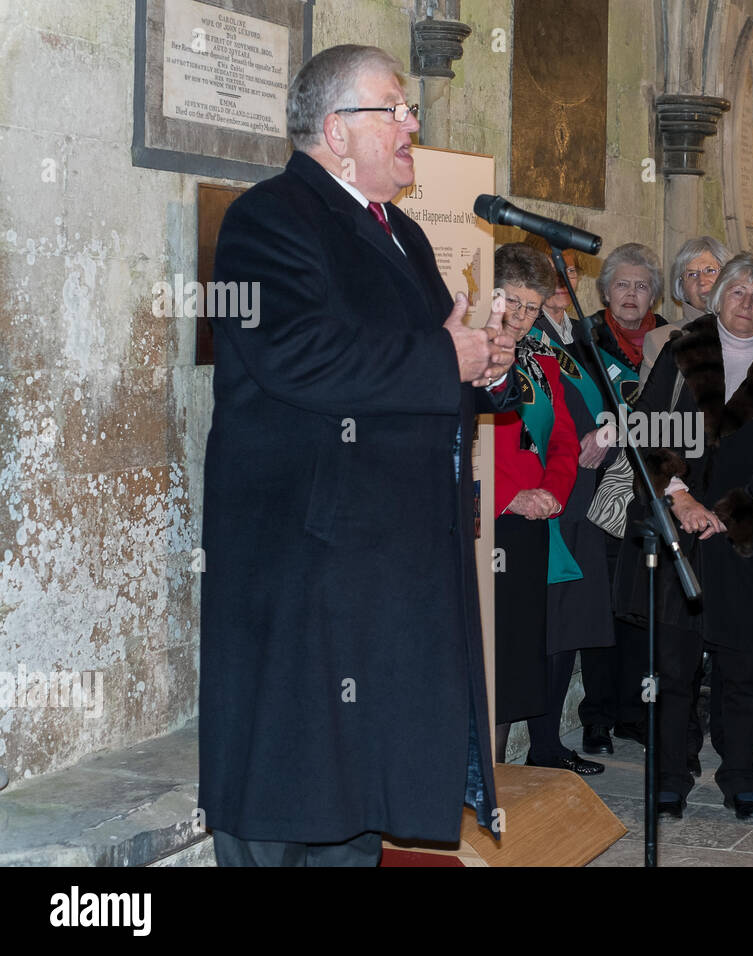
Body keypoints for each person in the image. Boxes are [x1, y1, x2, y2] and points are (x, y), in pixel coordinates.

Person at [199, 44, 518, 865]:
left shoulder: (402, 231)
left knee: (356, 789)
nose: (413, 123)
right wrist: (444, 360)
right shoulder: (267, 218)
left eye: (409, 108)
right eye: (396, 108)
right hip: (306, 557)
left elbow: (418, 365)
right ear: (337, 130)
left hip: (385, 560)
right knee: (290, 776)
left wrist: (485, 368)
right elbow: (295, 353)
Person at [614, 255, 753, 822]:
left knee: (745, 670)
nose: (747, 304)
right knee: (672, 668)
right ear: (718, 298)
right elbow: (648, 430)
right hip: (679, 531)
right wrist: (682, 498)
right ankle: (670, 776)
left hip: (751, 535)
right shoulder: (684, 348)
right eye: (738, 292)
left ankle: (740, 777)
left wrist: (728, 511)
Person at [490, 243, 603, 776]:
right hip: (488, 519)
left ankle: (520, 770)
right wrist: (510, 495)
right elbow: (463, 438)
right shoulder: (466, 351)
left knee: (532, 644)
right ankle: (485, 775)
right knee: (496, 653)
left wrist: (555, 490)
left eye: (533, 307)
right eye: (513, 303)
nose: (522, 317)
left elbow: (561, 431)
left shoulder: (539, 356)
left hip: (538, 516)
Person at [579, 242, 669, 755]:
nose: (631, 294)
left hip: (655, 490)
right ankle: (598, 714)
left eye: (640, 286)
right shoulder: (584, 338)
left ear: (653, 292)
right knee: (602, 605)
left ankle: (637, 711)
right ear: (605, 290)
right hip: (599, 492)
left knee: (645, 602)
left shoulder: (674, 341)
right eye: (621, 285)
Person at [641, 236, 732, 381]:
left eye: (710, 270)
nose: (702, 280)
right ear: (682, 287)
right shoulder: (659, 340)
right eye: (692, 274)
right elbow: (650, 403)